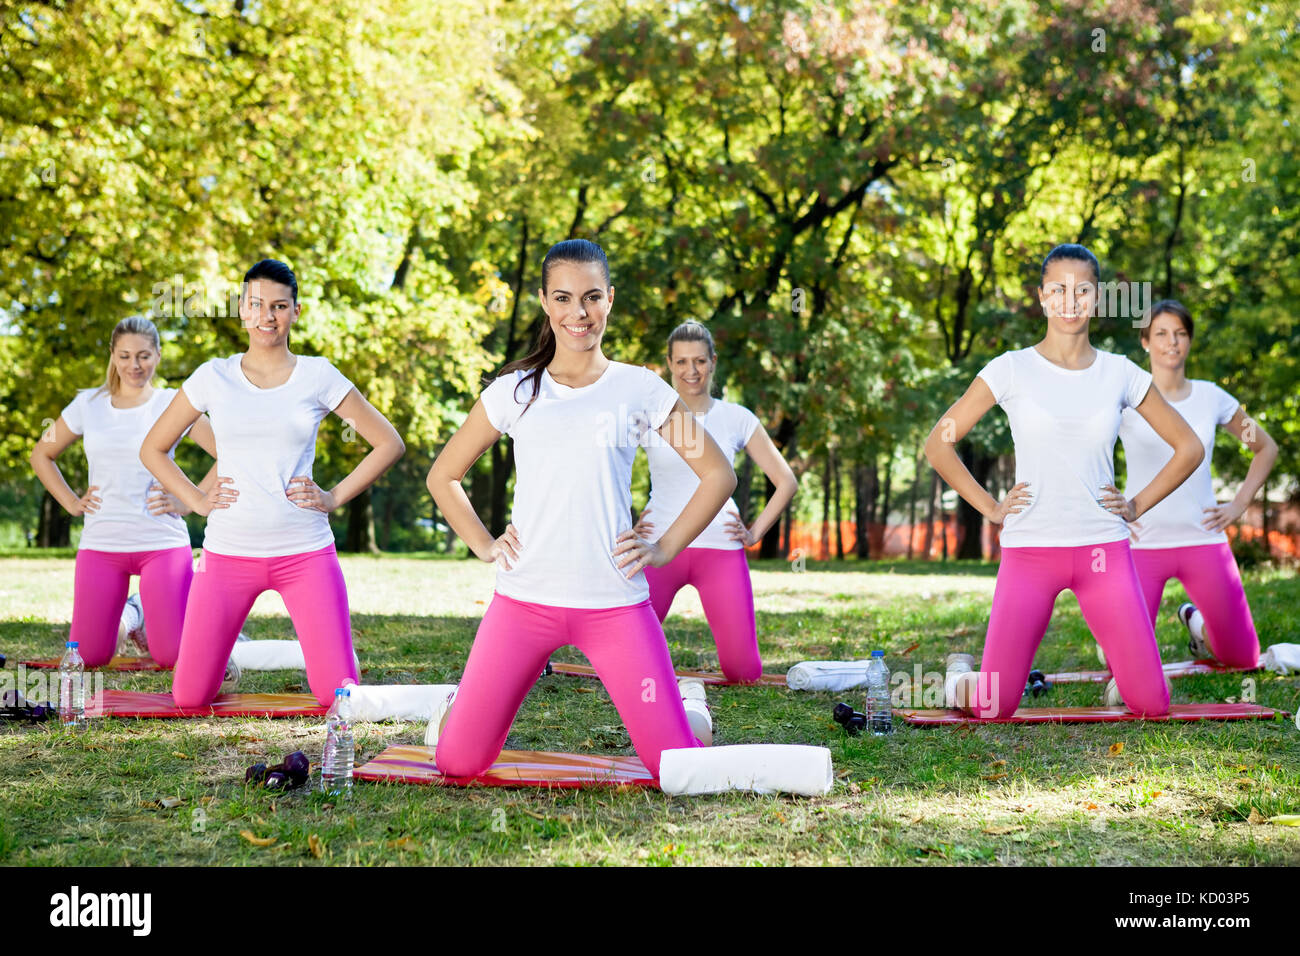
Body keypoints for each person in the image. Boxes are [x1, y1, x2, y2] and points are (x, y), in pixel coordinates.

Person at [427, 239, 737, 778]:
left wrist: (664, 546)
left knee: (675, 767)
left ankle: (689, 712)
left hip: (614, 603)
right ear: (545, 302)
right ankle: (457, 712)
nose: (580, 313)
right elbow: (443, 475)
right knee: (457, 763)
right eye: (565, 298)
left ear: (610, 299)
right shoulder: (515, 391)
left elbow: (718, 474)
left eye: (592, 297)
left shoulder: (640, 388)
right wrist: (483, 542)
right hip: (523, 602)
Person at [924, 244, 1204, 718]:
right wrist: (991, 508)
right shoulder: (1010, 368)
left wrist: (1135, 505)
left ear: (1096, 298)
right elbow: (939, 443)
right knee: (994, 706)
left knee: (1152, 704)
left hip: (1103, 551)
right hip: (1031, 550)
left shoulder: (1120, 373)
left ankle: (1128, 678)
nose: (1070, 300)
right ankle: (958, 682)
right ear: (1041, 297)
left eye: (1082, 290)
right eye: (1058, 289)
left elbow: (1190, 447)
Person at [140, 259, 404, 707]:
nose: (268, 316)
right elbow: (153, 448)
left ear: (295, 312)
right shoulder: (212, 377)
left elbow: (388, 442)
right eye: (258, 304)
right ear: (242, 309)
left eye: (279, 306)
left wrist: (332, 496)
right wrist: (198, 501)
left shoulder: (318, 376)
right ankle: (229, 652)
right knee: (189, 696)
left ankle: (332, 652)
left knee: (336, 694)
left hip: (304, 552)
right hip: (227, 554)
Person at [30, 317, 218, 668]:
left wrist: (191, 502)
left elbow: (229, 454)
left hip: (161, 542)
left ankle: (151, 610)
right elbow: (42, 454)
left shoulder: (171, 403)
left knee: (172, 657)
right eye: (126, 356)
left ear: (158, 355)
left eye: (144, 356)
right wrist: (72, 502)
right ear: (113, 356)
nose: (135, 365)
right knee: (90, 656)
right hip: (102, 544)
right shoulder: (88, 404)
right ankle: (135, 614)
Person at [633, 321, 796, 681]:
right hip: (659, 545)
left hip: (719, 548)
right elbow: (605, 469)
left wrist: (754, 533)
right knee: (631, 661)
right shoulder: (648, 417)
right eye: (681, 362)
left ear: (713, 362)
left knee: (744, 672)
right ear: (669, 363)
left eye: (700, 361)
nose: (691, 371)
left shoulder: (736, 418)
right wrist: (628, 523)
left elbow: (786, 481)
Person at [1118, 300, 1276, 668]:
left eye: (1181, 333)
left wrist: (1238, 504)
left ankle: (1196, 622)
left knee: (1242, 658)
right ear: (1145, 342)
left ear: (1189, 341)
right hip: (1141, 542)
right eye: (1161, 333)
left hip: (1203, 539)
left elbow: (1264, 446)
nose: (1171, 342)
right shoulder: (1124, 399)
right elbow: (1086, 451)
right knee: (1122, 664)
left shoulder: (1213, 398)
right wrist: (1114, 514)